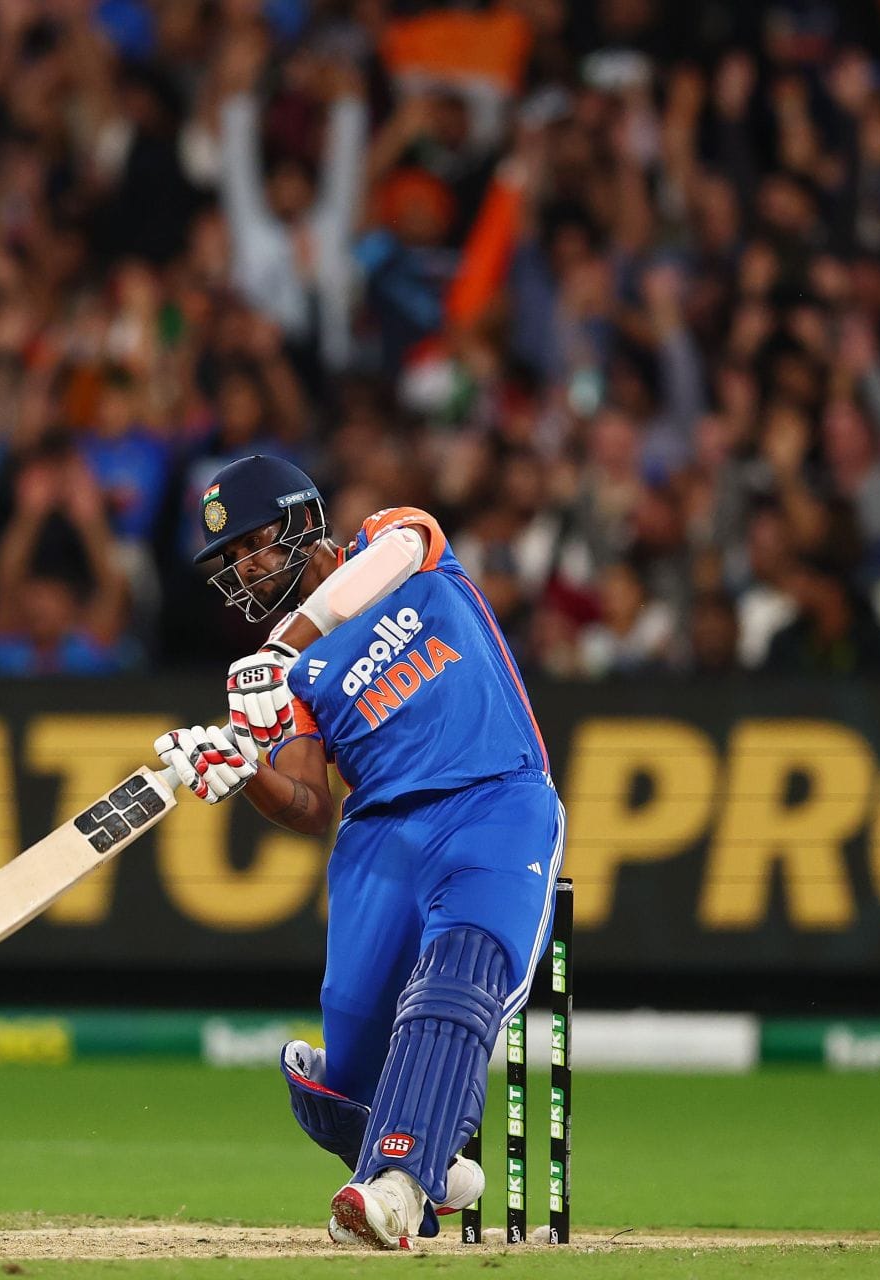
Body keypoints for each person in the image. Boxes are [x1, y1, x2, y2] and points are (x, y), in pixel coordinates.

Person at [154, 455, 560, 1248]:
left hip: (493, 802)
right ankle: (436, 1166)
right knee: (339, 1083)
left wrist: (286, 644)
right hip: (379, 840)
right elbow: (310, 806)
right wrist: (245, 773)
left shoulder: (391, 543)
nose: (246, 567)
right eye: (231, 559)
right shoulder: (281, 681)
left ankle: (398, 1189)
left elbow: (403, 548)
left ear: (303, 520)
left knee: (455, 979)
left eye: (254, 543)